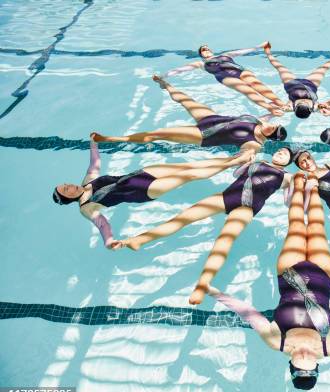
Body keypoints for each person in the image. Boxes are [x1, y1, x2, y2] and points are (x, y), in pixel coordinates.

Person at [200, 174, 330, 390]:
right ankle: (314, 188)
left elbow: (248, 312)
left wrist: (215, 293)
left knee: (296, 224)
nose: (305, 355)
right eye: (310, 363)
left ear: (292, 367)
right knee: (316, 225)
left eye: (300, 363)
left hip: (289, 269)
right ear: (317, 367)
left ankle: (298, 185)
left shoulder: (276, 341)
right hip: (323, 272)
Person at [115, 147, 295, 303]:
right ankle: (138, 240)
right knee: (183, 218)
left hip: (246, 207)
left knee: (224, 241)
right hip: (226, 196)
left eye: (285, 154)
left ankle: (203, 284)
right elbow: (237, 166)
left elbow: (302, 190)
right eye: (280, 150)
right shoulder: (257, 160)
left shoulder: (287, 177)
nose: (280, 153)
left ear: (289, 162)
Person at [52, 134, 249, 249]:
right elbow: (102, 224)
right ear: (68, 198)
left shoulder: (87, 182)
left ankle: (232, 161)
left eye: (66, 184)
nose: (70, 185)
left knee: (188, 166)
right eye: (66, 189)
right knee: (189, 176)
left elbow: (94, 163)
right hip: (143, 190)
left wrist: (93, 143)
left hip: (141, 173)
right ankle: (236, 162)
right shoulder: (86, 207)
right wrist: (109, 240)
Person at [92, 76, 287, 155]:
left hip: (204, 135)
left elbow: (245, 155)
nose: (273, 125)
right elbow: (269, 115)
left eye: (275, 130)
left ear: (271, 136)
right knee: (185, 99)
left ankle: (112, 139)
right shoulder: (260, 121)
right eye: (276, 125)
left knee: (158, 133)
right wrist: (275, 110)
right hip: (212, 118)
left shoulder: (255, 143)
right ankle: (166, 85)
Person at [164, 43, 285, 115]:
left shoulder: (226, 55)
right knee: (248, 91)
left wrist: (260, 46)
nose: (206, 50)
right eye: (203, 50)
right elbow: (181, 69)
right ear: (201, 54)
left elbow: (243, 51)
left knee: (257, 84)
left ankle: (280, 103)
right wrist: (163, 76)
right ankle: (270, 108)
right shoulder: (200, 63)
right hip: (225, 77)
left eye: (207, 48)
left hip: (240, 70)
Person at [263, 42, 330, 119]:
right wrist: (325, 107)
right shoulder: (315, 108)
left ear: (296, 108)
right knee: (323, 69)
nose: (304, 101)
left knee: (280, 68)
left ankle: (267, 52)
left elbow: (273, 105)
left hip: (292, 84)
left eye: (300, 103)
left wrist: (279, 108)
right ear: (310, 109)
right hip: (311, 85)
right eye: (306, 104)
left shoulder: (290, 108)